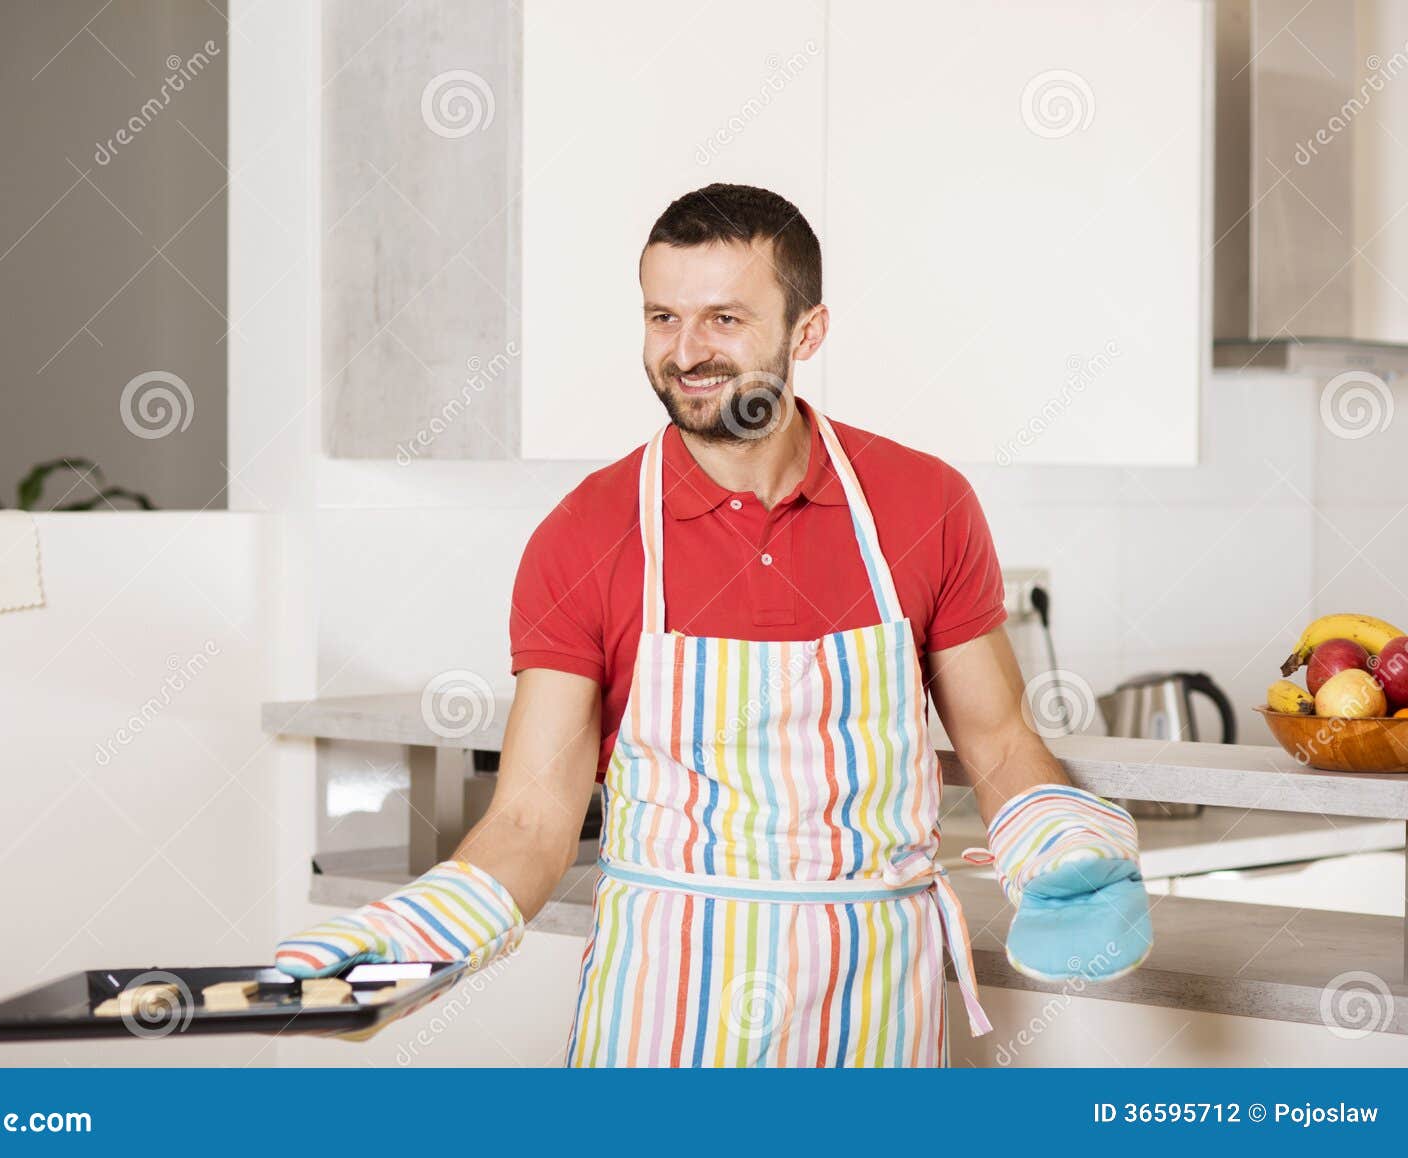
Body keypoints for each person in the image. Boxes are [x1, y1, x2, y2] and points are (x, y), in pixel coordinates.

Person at [275, 183, 1152, 1068]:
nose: (686, 352)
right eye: (663, 317)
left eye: (724, 318)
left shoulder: (925, 505)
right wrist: (410, 944)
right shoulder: (585, 533)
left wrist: (1060, 837)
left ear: (806, 332)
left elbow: (998, 742)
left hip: (878, 1000)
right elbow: (534, 820)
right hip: (666, 1004)